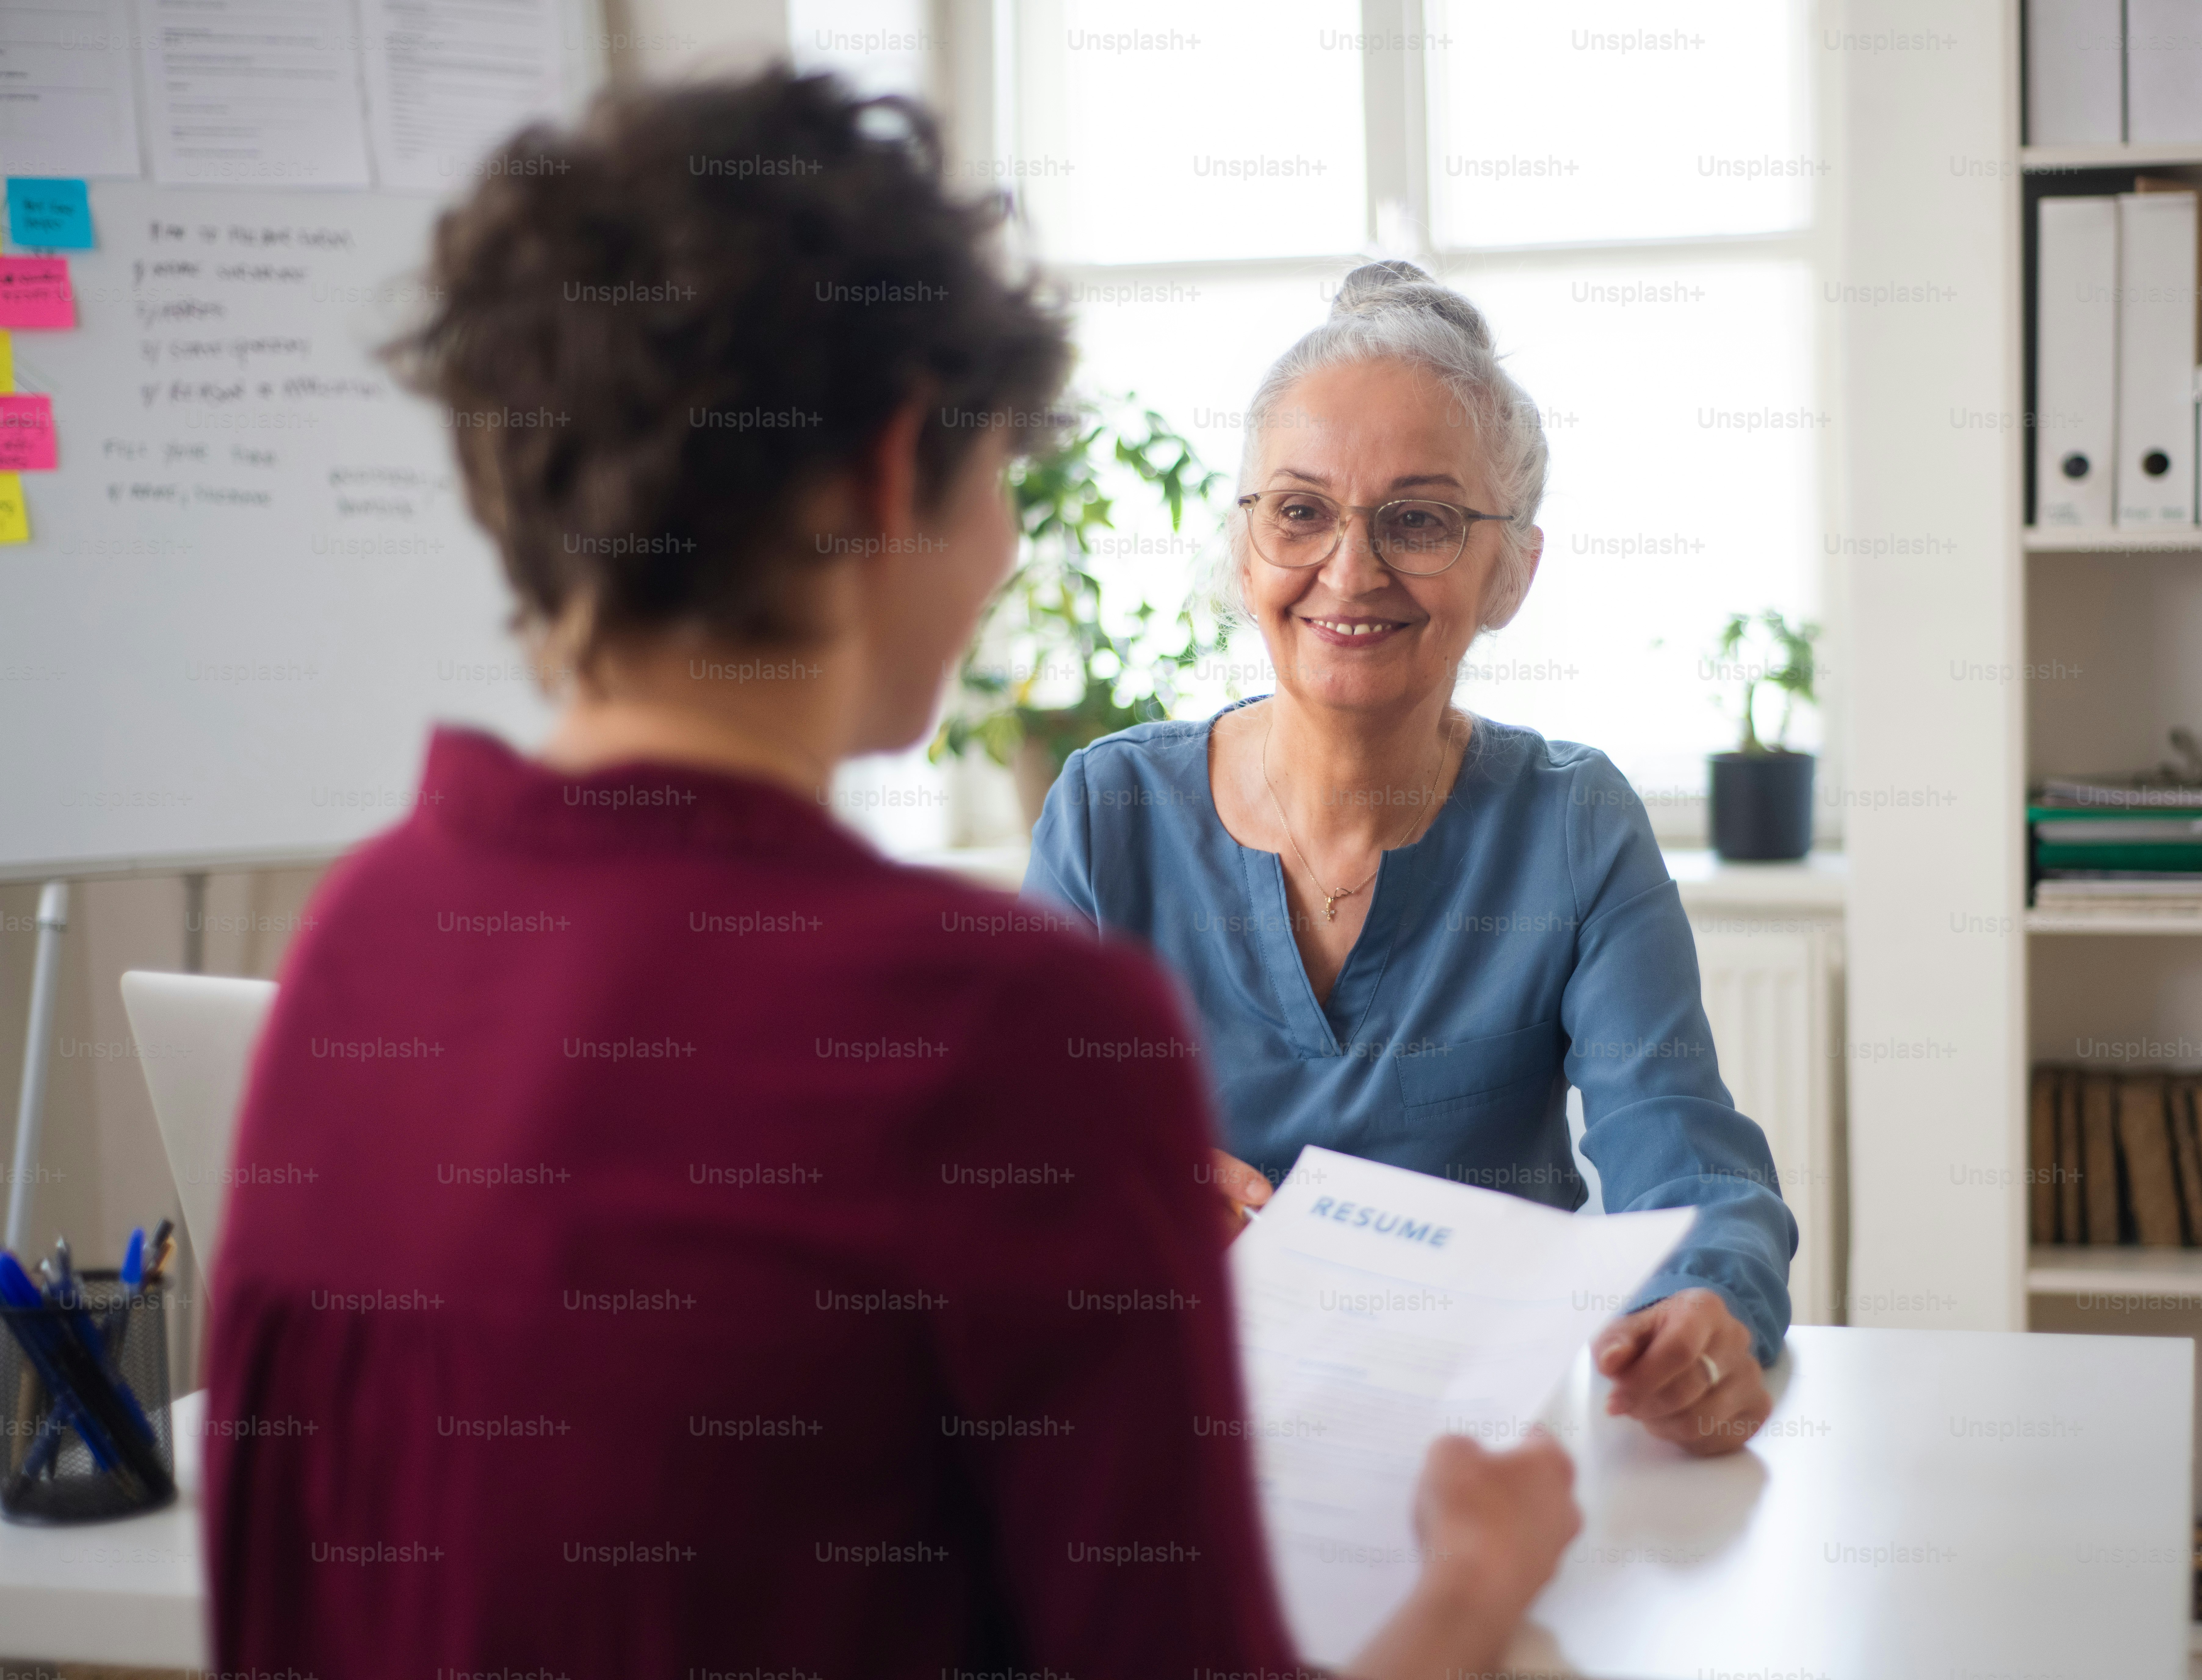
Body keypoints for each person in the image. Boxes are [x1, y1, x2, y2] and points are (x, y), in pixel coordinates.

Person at [203, 73, 1577, 1679]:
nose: (1001, 547)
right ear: (886, 473)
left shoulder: (364, 941)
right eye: (996, 475)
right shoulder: (1004, 1035)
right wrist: (1478, 1588)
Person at [1025, 262, 1799, 1454]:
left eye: (1420, 518)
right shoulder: (1108, 813)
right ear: (1246, 547)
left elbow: (1683, 1150)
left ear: (1513, 571)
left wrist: (1712, 1303)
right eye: (1300, 510)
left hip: (1475, 1460)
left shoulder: (1576, 823)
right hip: (1172, 1447)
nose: (1352, 568)